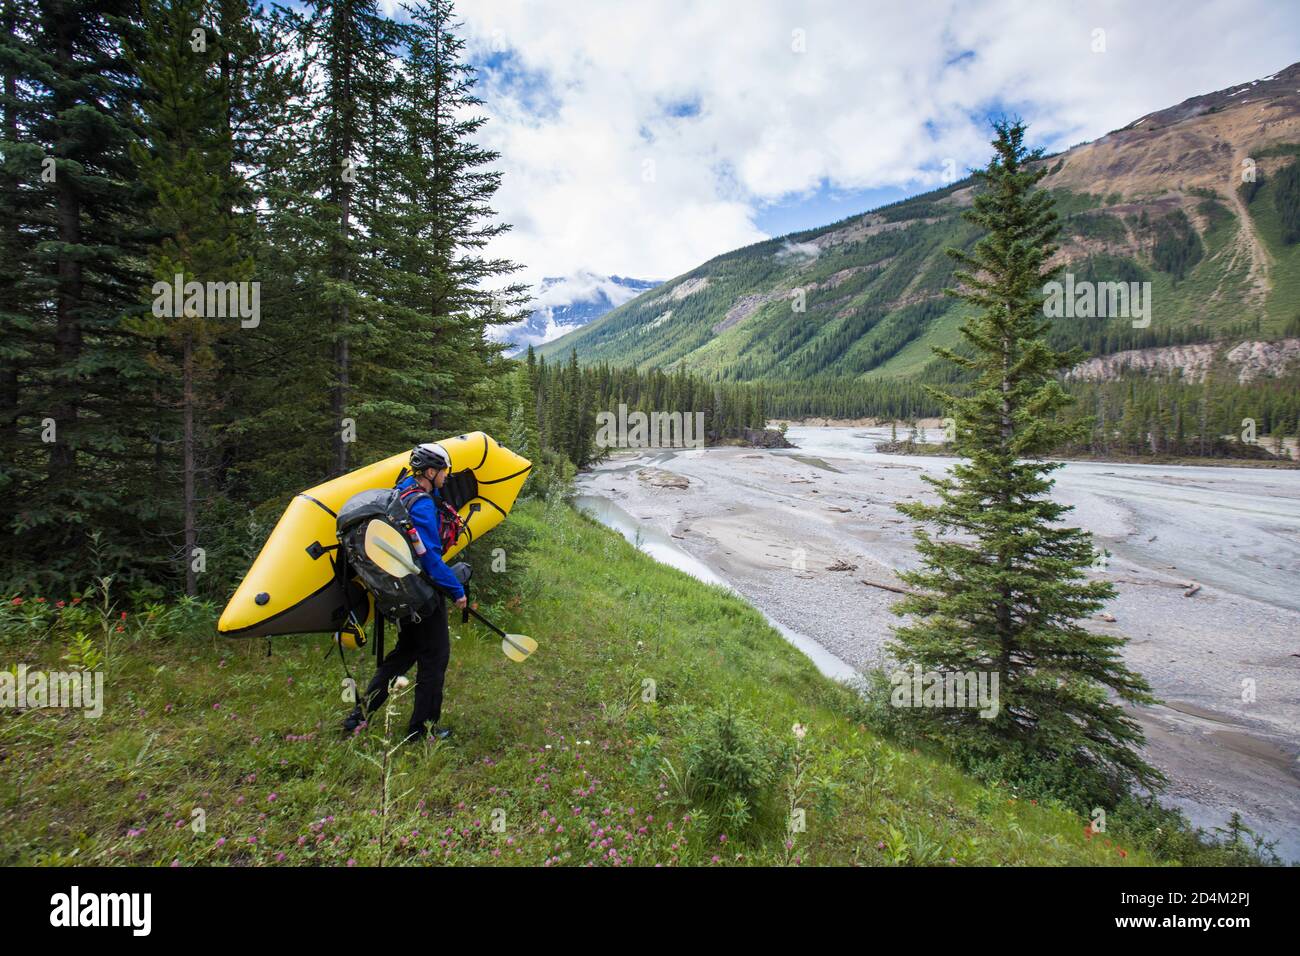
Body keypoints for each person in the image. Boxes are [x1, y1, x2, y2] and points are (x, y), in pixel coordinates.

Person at [342, 443, 468, 742]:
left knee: (403, 655)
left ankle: (358, 718)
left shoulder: (400, 492)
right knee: (435, 658)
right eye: (443, 471)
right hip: (421, 595)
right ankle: (421, 730)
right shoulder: (421, 504)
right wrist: (456, 591)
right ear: (431, 471)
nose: (447, 476)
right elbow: (429, 557)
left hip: (398, 594)